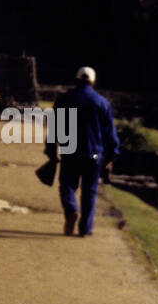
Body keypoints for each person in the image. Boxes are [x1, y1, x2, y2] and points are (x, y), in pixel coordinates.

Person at [45, 66, 120, 237]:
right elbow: (110, 134)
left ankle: (71, 209)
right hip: (94, 154)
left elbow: (54, 128)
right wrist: (111, 156)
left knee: (67, 186)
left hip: (70, 151)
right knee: (90, 191)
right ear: (92, 82)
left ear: (76, 80)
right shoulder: (102, 103)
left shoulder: (63, 99)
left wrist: (51, 150)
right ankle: (85, 228)